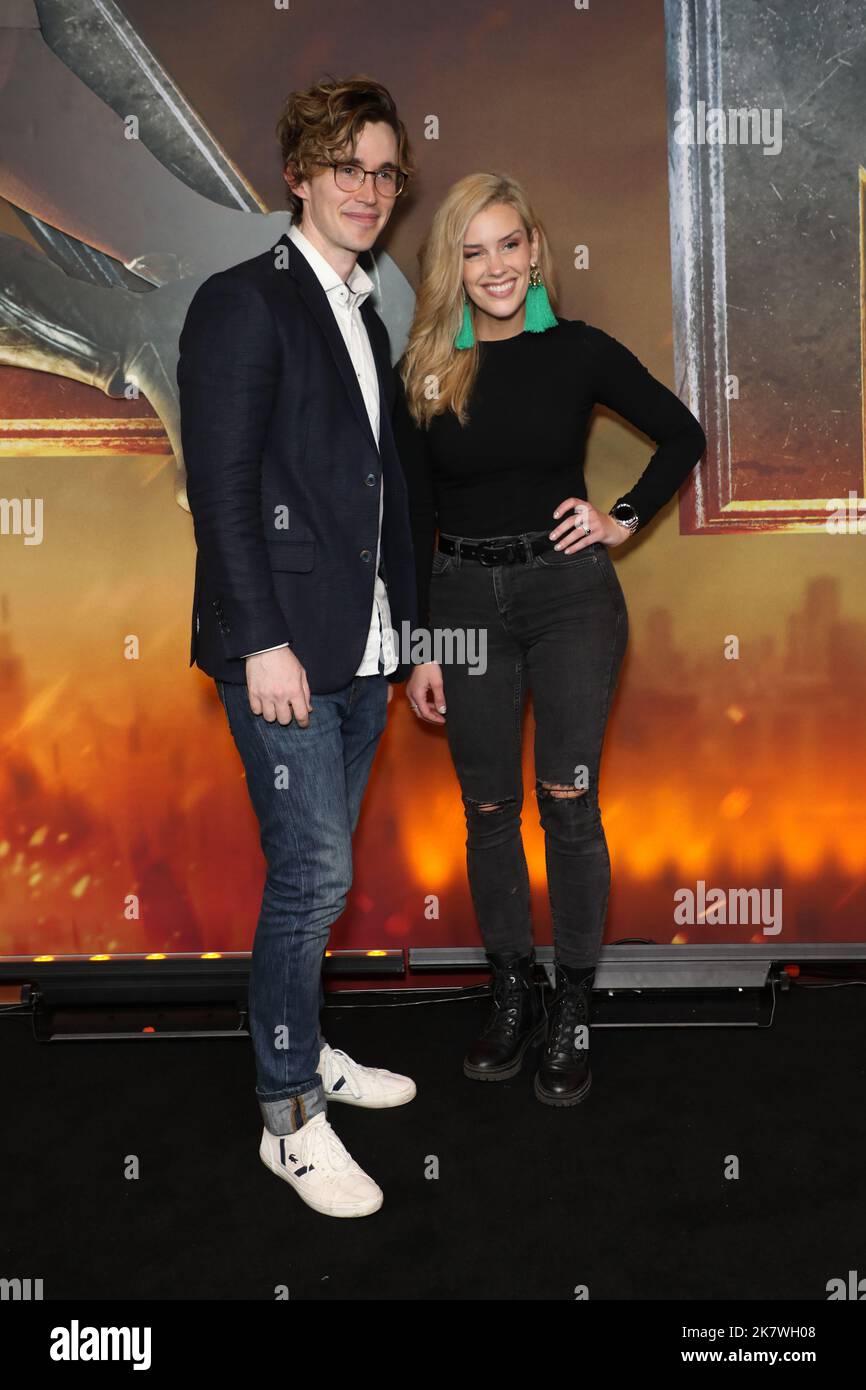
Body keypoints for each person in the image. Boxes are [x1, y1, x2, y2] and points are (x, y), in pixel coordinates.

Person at [393, 172, 707, 1106]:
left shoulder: (578, 352)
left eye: (507, 245)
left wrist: (621, 517)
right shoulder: (425, 369)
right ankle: (510, 995)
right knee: (488, 811)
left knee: (567, 800)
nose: (493, 266)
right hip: (463, 605)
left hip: (568, 597)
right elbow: (412, 514)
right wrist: (418, 643)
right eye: (471, 249)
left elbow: (682, 434)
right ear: (454, 264)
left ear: (535, 250)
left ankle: (574, 1002)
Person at [177, 75, 420, 1217]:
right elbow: (220, 491)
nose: (367, 189)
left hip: (358, 646)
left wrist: (404, 634)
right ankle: (287, 1113)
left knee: (321, 877)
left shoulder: (362, 310)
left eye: (382, 171)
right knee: (313, 872)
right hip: (280, 653)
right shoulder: (246, 301)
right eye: (346, 168)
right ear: (298, 175)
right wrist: (261, 642)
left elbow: (382, 495)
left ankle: (307, 1044)